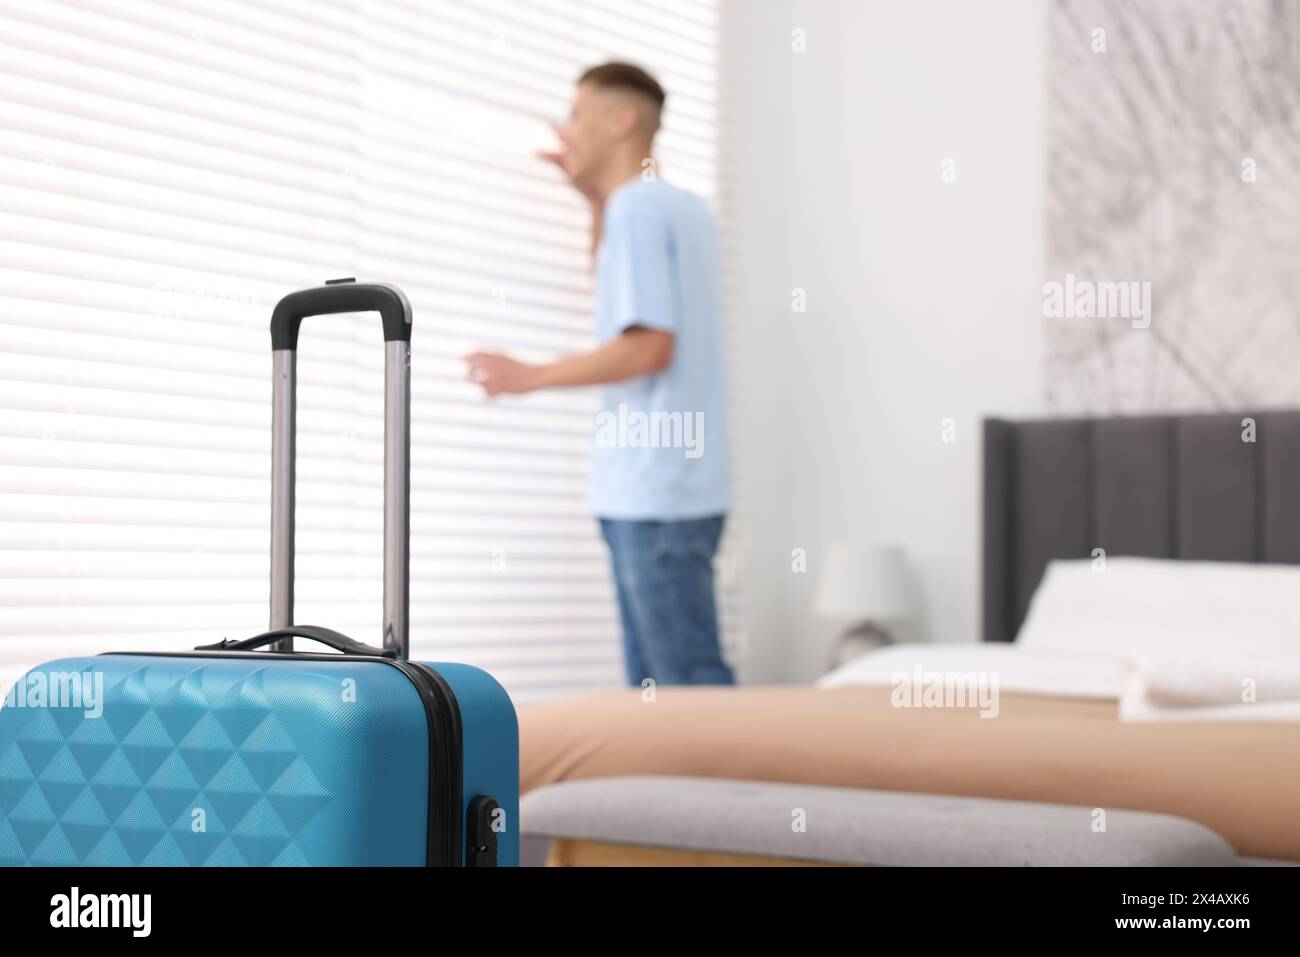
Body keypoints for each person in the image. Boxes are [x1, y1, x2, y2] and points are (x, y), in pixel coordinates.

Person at [465, 62, 733, 686]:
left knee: (682, 693)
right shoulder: (678, 208)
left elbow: (644, 347)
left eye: (579, 115)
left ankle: (717, 785)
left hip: (652, 491)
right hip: (677, 488)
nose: (568, 130)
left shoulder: (636, 209)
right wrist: (592, 199)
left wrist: (525, 376)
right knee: (675, 691)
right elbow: (623, 301)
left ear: (622, 120)